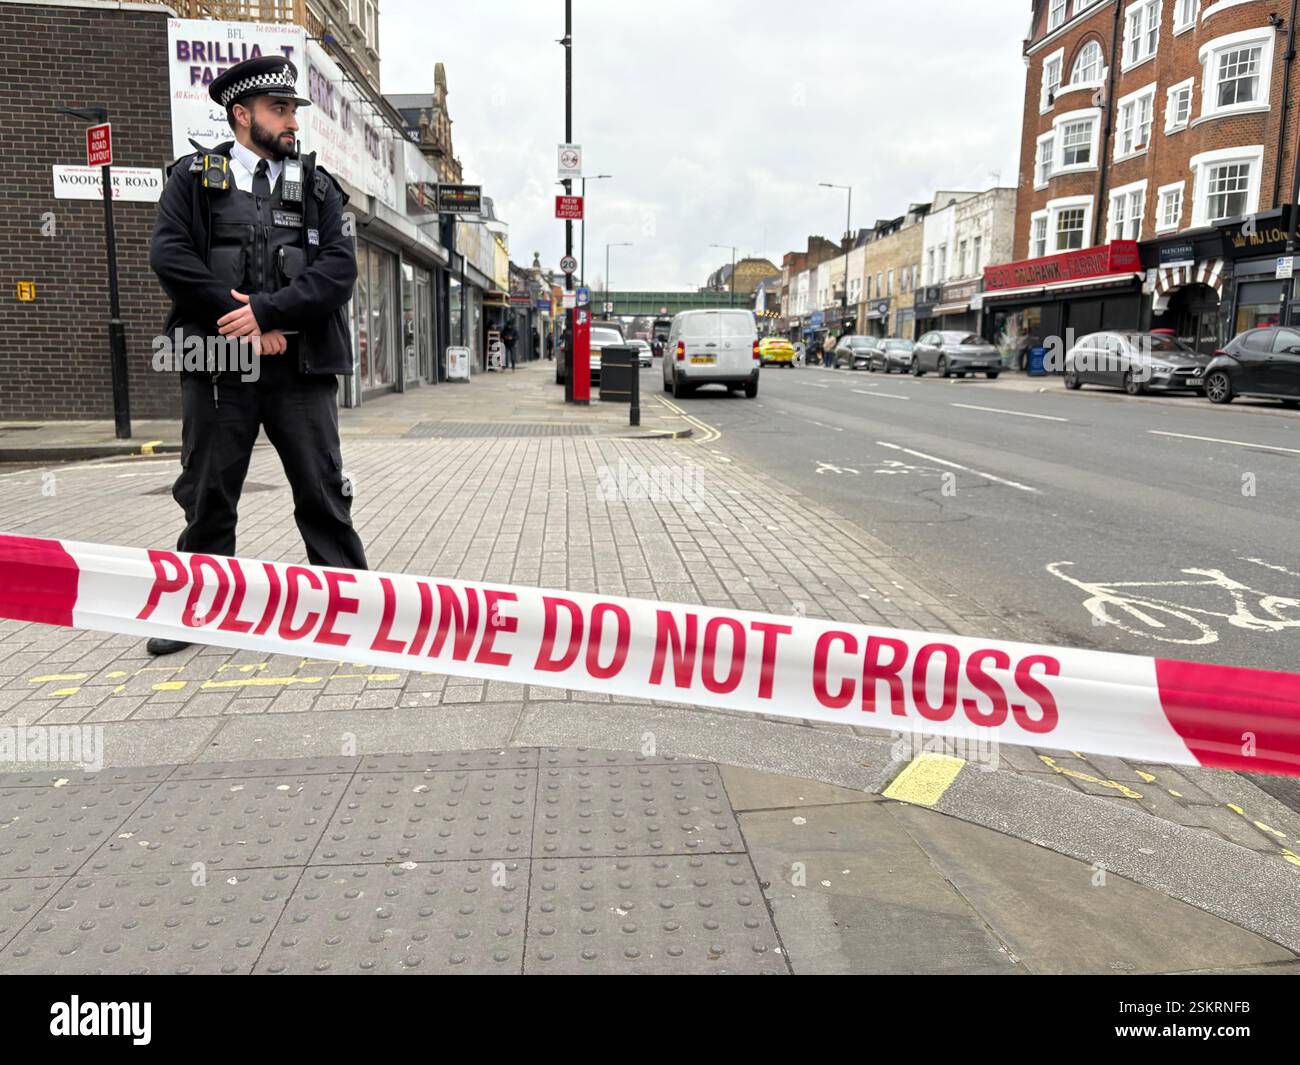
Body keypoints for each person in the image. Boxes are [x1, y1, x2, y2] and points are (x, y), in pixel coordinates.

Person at [146, 55, 367, 657]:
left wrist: (270, 314)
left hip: (301, 365)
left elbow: (338, 269)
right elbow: (170, 256)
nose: (292, 120)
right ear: (242, 116)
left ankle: (352, 607)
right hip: (220, 363)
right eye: (280, 109)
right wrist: (238, 318)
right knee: (208, 491)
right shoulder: (192, 178)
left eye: (294, 108)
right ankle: (196, 610)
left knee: (322, 489)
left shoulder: (318, 185)